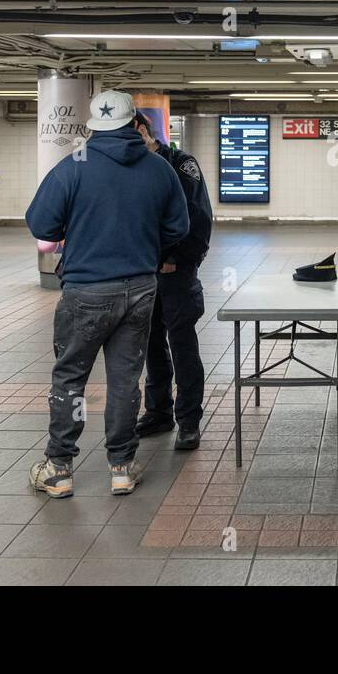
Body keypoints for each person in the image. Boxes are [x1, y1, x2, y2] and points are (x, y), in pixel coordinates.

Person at [25, 90, 189, 499]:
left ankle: (59, 468)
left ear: (91, 128)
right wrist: (147, 244)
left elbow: (41, 225)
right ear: (135, 123)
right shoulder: (158, 168)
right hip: (140, 288)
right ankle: (121, 465)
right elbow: (178, 227)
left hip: (86, 290)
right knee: (124, 379)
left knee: (70, 378)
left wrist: (78, 227)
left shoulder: (73, 167)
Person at [130, 112, 212, 452]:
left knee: (182, 344)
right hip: (143, 272)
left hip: (175, 272)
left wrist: (175, 258)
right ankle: (159, 411)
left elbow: (198, 218)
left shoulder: (181, 165)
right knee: (151, 344)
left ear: (142, 130)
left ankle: (189, 420)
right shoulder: (130, 169)